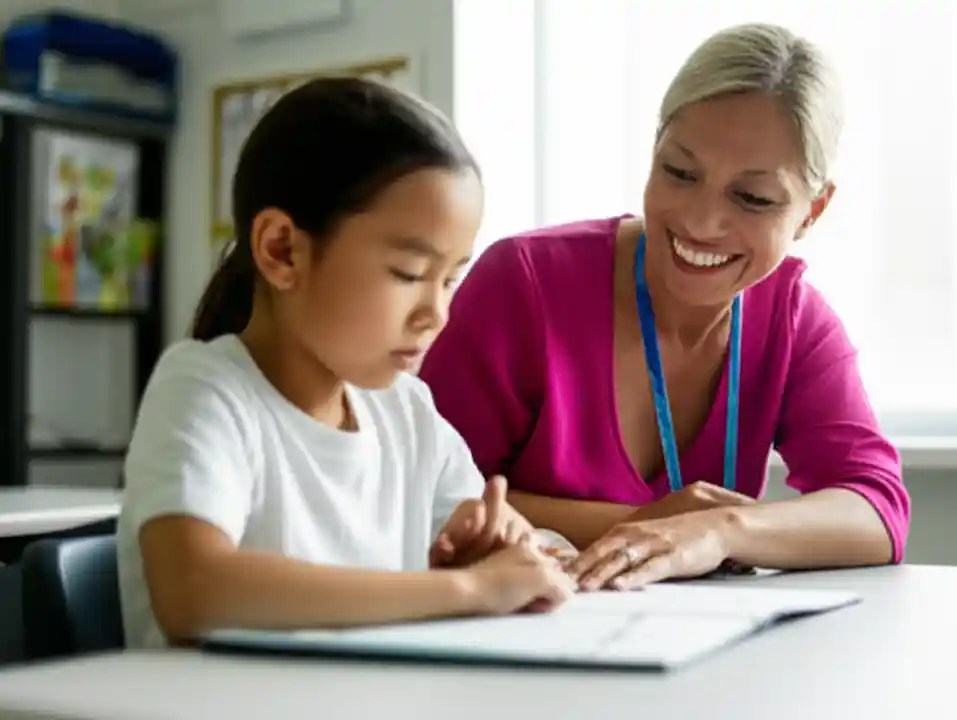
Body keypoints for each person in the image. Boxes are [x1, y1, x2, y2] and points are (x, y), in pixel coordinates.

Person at [421, 23, 910, 592]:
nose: (701, 222)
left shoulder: (793, 321)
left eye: (752, 198)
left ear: (811, 211)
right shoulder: (523, 284)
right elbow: (420, 492)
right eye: (680, 172)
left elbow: (878, 510)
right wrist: (649, 528)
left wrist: (722, 530)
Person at [117, 78, 574, 649]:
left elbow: (507, 551)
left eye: (450, 279)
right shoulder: (205, 390)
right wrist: (466, 589)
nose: (437, 315)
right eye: (409, 274)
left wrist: (506, 547)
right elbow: (194, 591)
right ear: (282, 250)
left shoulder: (406, 413)